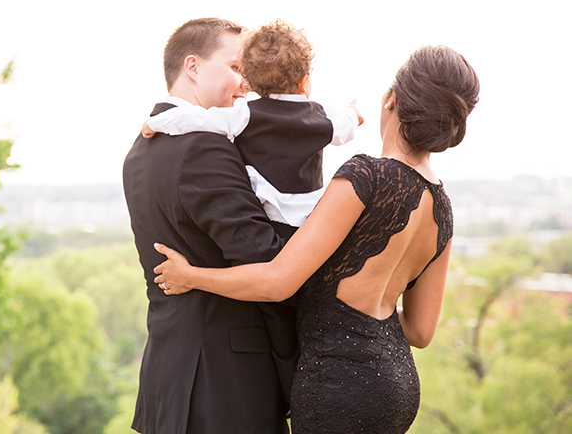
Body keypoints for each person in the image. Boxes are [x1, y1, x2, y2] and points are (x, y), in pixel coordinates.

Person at [153, 45, 480, 433]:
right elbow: (420, 332)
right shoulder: (441, 207)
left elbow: (277, 282)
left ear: (390, 101)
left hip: (338, 388)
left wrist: (190, 276)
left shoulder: (365, 178)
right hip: (398, 389)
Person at [123, 17, 294, 434]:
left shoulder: (140, 151)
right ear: (192, 66)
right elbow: (264, 258)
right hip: (222, 386)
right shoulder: (203, 147)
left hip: (170, 380)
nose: (247, 85)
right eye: (237, 68)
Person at [144, 19, 364, 234]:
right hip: (311, 217)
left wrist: (156, 122)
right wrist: (353, 113)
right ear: (304, 82)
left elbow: (198, 120)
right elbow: (345, 127)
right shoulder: (323, 114)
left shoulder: (245, 114)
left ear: (254, 83)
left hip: (274, 215)